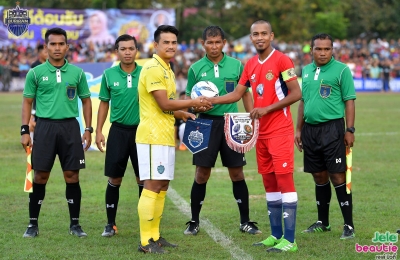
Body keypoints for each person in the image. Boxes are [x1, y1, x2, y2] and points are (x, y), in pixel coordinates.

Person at [208, 20, 302, 253]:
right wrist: (208, 101)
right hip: (261, 133)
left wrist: (267, 109)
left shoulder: (282, 60)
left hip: (280, 130)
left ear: (271, 35)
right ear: (250, 38)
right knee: (269, 183)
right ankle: (275, 235)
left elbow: (296, 93)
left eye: (263, 33)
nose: (259, 37)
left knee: (284, 181)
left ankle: (290, 241)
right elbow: (236, 94)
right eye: (255, 34)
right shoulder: (249, 64)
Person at [136, 25, 211, 254]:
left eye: (173, 42)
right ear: (155, 45)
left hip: (165, 135)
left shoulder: (167, 68)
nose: (170, 46)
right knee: (152, 186)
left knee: (163, 186)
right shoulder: (152, 68)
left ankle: (155, 236)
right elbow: (165, 104)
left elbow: (168, 109)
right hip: (151, 136)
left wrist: (183, 114)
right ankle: (145, 240)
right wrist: (193, 103)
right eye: (165, 42)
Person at [183, 25, 260, 237]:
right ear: (203, 44)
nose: (214, 46)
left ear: (224, 43)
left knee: (237, 172)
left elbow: (244, 94)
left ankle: (245, 221)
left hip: (232, 123)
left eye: (218, 42)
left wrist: (250, 117)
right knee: (202, 173)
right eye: (210, 42)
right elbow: (190, 97)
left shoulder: (236, 66)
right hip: (204, 123)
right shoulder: (196, 69)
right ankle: (194, 221)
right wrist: (195, 106)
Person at [20, 27, 92, 238]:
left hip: (70, 127)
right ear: (46, 47)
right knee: (40, 175)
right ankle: (32, 224)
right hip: (44, 128)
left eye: (61, 44)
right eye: (53, 44)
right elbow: (27, 102)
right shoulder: (35, 73)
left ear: (67, 47)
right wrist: (25, 130)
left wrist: (87, 129)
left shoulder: (77, 73)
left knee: (72, 175)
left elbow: (86, 100)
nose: (57, 48)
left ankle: (75, 225)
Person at [294, 33, 356, 240]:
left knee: (337, 176)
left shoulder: (342, 70)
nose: (322, 52)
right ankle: (323, 222)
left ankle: (348, 225)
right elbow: (303, 101)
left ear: (332, 50)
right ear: (311, 50)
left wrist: (350, 129)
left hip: (333, 129)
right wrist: (298, 129)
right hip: (310, 130)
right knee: (319, 176)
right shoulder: (307, 70)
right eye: (318, 49)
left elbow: (349, 101)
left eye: (326, 49)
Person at [95, 34, 144, 237]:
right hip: (118, 131)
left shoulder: (146, 72)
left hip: (142, 132)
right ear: (117, 51)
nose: (127, 52)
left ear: (136, 50)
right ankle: (110, 224)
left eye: (131, 48)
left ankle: (145, 224)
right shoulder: (109, 74)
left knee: (143, 179)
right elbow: (104, 103)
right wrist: (98, 130)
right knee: (115, 178)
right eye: (123, 49)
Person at [29, 44, 48, 142]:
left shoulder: (51, 64)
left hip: (47, 95)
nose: (47, 54)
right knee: (34, 118)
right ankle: (31, 140)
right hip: (37, 95)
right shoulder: (34, 65)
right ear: (40, 53)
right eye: (45, 52)